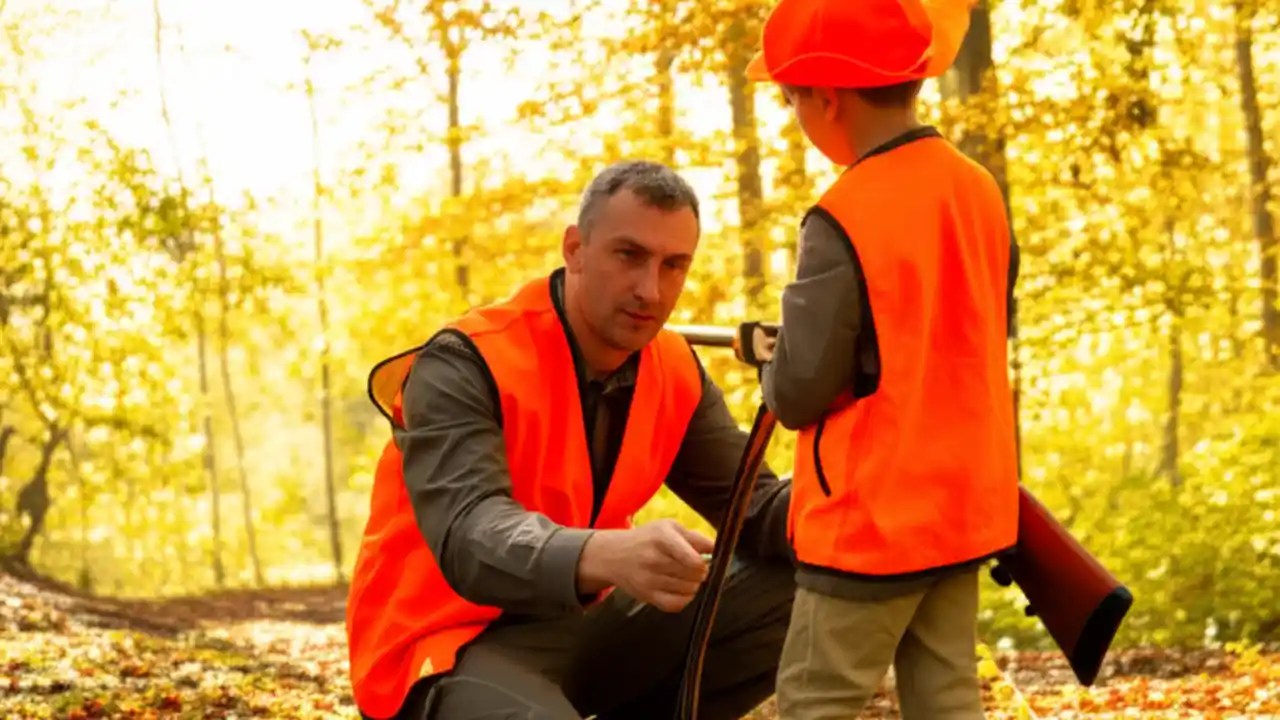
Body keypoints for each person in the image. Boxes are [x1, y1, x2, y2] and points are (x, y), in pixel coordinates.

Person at [345, 160, 796, 720]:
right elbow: (469, 534)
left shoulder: (673, 369)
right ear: (575, 248)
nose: (650, 290)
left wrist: (877, 485)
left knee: (807, 579)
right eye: (628, 255)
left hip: (583, 624)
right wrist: (608, 553)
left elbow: (757, 509)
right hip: (446, 642)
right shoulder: (465, 361)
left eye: (673, 265)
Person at [744, 0, 1021, 717]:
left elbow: (800, 392)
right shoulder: (978, 190)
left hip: (871, 528)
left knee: (815, 701)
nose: (794, 113)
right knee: (949, 699)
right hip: (962, 513)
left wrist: (773, 363)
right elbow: (962, 331)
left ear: (825, 97)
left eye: (790, 97)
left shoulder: (845, 212)